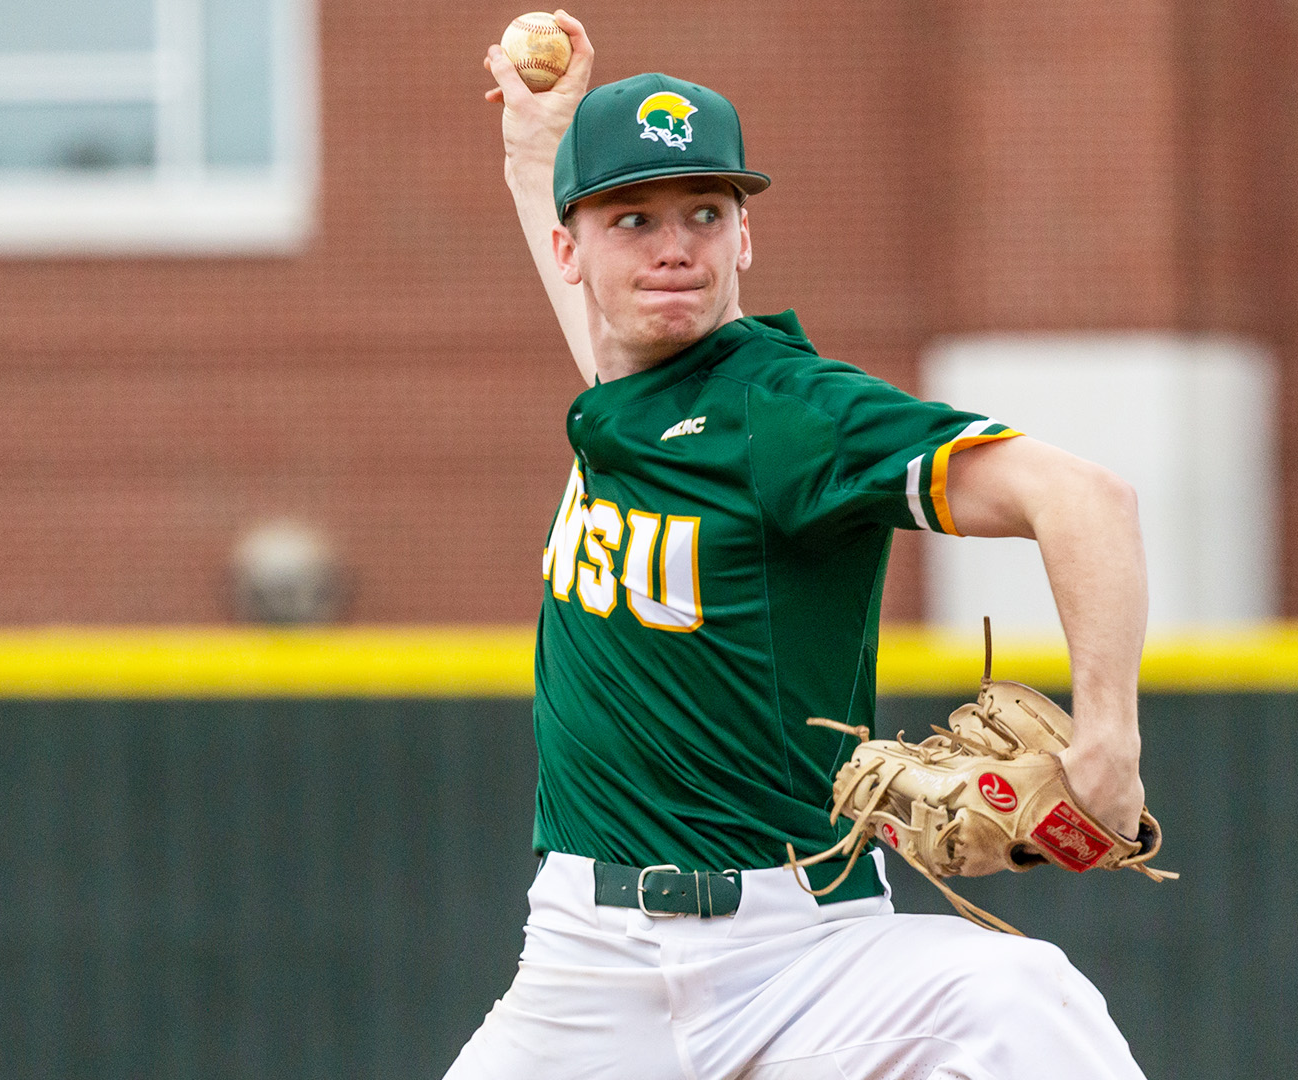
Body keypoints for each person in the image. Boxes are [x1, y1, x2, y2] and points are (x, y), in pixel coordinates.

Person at [451, 12, 1155, 1078]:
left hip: (799, 952)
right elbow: (604, 310)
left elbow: (1084, 498)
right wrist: (534, 145)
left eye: (703, 210)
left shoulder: (790, 413)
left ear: (744, 236)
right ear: (572, 247)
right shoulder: (622, 397)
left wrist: (1110, 738)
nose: (673, 244)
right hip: (582, 968)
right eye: (631, 219)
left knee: (1021, 997)